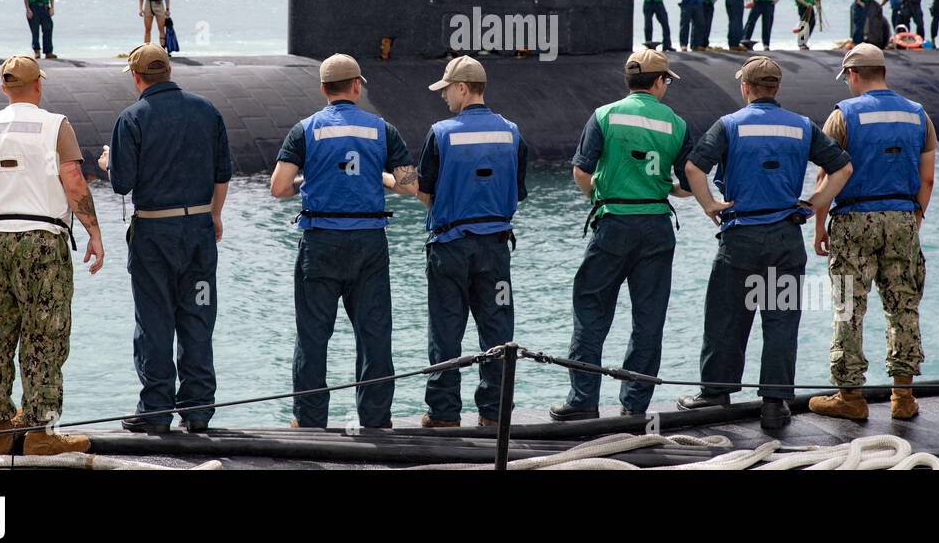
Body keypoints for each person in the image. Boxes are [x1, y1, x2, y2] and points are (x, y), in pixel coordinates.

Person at [679, 56, 852, 429]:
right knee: (780, 321)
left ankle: (716, 393)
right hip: (785, 238)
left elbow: (693, 168)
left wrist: (709, 204)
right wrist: (815, 203)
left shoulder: (729, 125)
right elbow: (843, 168)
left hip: (741, 237)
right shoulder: (803, 126)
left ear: (746, 88)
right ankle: (774, 405)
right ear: (776, 88)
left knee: (727, 317)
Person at [0, 55, 104, 455]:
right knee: (45, 334)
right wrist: (94, 232)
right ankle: (40, 433)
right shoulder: (55, 125)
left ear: (3, 87)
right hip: (43, 240)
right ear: (38, 86)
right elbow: (74, 182)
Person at [269, 54, 418, 428]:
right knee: (374, 334)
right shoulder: (383, 130)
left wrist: (310, 182)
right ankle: (375, 419)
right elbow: (408, 185)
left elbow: (279, 187)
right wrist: (379, 178)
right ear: (356, 86)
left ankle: (309, 419)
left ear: (323, 89)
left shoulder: (305, 129)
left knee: (313, 336)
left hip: (320, 244)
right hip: (369, 243)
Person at [550, 49, 694, 420]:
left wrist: (599, 199)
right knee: (648, 318)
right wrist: (670, 189)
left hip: (613, 222)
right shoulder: (676, 123)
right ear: (660, 81)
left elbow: (581, 172)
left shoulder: (604, 115)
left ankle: (582, 402)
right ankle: (635, 406)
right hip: (657, 226)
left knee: (591, 310)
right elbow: (689, 180)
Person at [98, 43, 231, 434]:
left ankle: (156, 410)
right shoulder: (207, 110)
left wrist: (108, 163)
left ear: (137, 78)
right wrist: (215, 215)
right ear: (169, 71)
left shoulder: (132, 118)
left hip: (155, 232)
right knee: (198, 315)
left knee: (155, 318)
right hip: (200, 232)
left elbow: (122, 184)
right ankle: (199, 409)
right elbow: (223, 174)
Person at [808, 44, 935, 422]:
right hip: (902, 216)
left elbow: (826, 176)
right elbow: (926, 178)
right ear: (883, 71)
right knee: (903, 307)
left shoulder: (843, 115)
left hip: (852, 219)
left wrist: (819, 226)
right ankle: (902, 396)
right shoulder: (918, 115)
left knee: (849, 306)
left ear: (853, 75)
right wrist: (914, 221)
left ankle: (850, 395)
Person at [416, 56, 528, 428]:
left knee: (446, 332)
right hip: (495, 249)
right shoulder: (512, 132)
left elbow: (427, 192)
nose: (443, 96)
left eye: (446, 89)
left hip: (450, 247)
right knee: (497, 331)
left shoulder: (441, 132)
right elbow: (518, 190)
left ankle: (444, 414)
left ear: (462, 88)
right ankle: (495, 414)